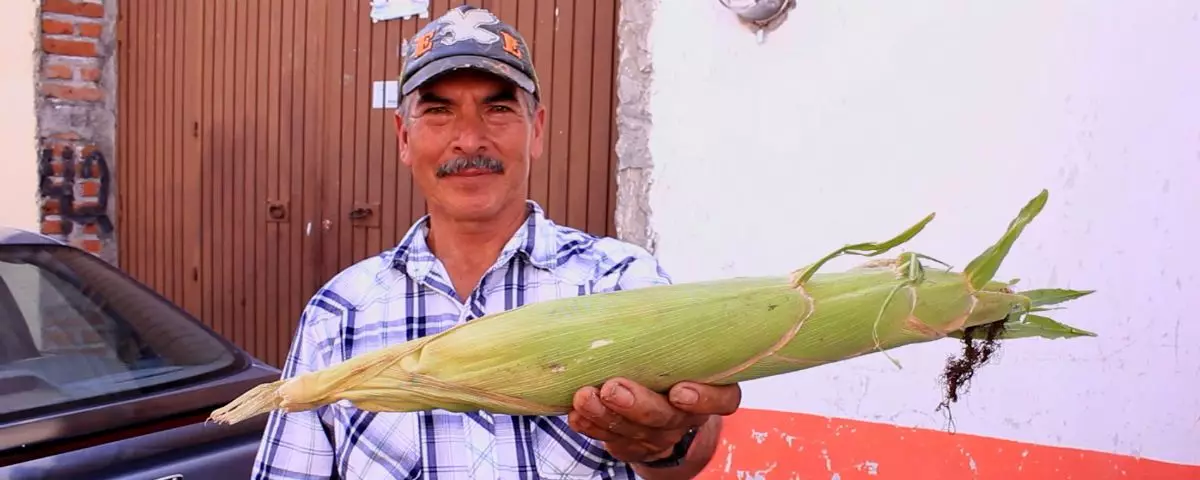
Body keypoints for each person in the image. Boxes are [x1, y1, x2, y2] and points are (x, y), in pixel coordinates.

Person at [251, 6, 742, 479]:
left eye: (499, 108)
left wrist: (667, 440)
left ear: (537, 132)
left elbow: (684, 449)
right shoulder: (339, 314)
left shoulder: (618, 280)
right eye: (439, 111)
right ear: (403, 137)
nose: (469, 139)